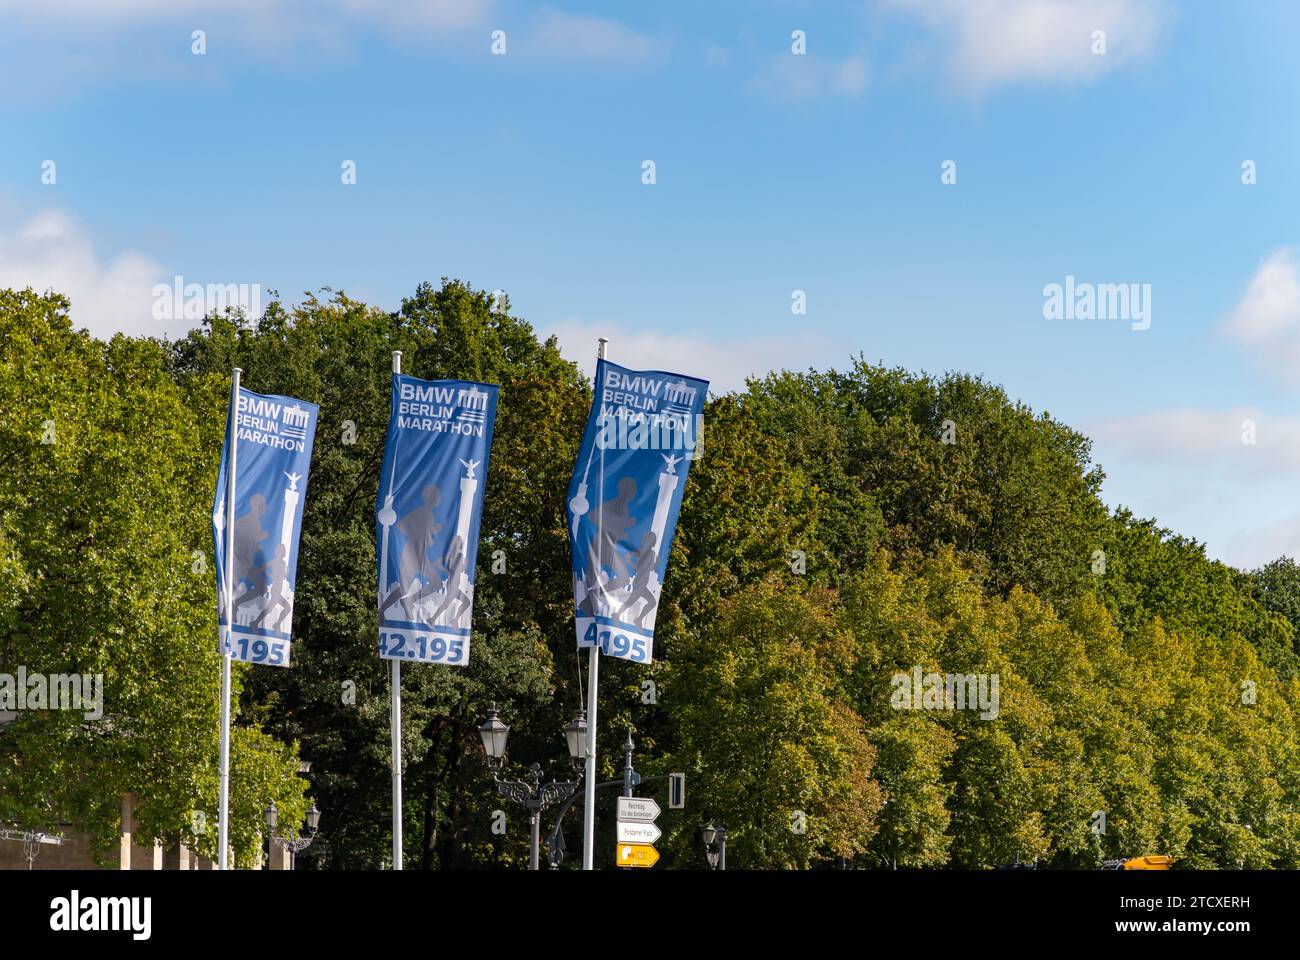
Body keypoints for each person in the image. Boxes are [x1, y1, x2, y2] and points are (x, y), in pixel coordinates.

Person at [379, 484, 443, 618]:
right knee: (404, 588)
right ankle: (385, 610)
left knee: (435, 583)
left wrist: (433, 532)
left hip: (420, 555)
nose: (440, 499)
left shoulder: (429, 515)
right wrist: (415, 535)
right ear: (432, 498)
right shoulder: (422, 512)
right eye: (437, 496)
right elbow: (400, 525)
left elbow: (426, 537)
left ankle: (408, 601)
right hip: (411, 554)